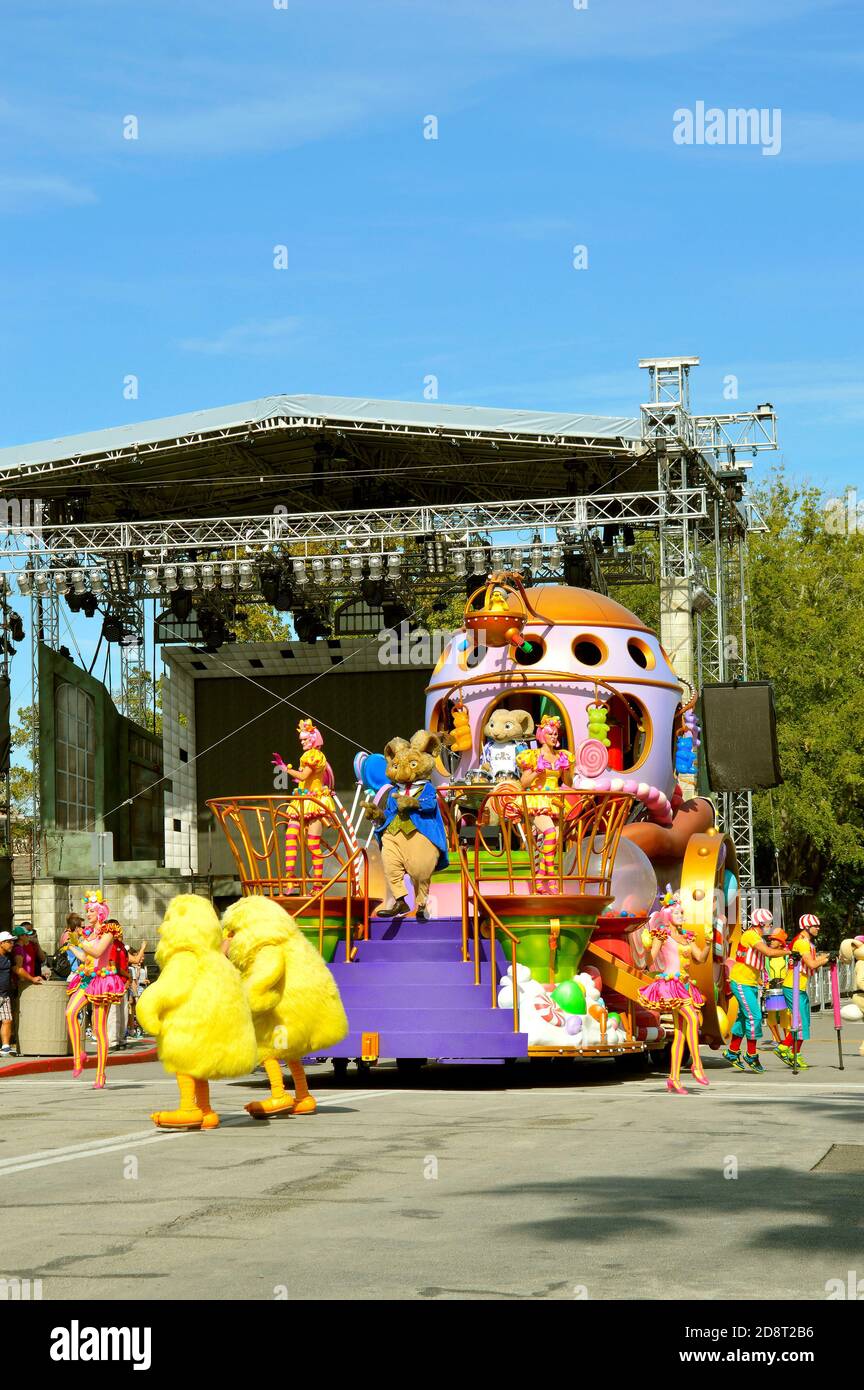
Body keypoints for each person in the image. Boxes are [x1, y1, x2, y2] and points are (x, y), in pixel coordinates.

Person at [638, 892, 711, 1094]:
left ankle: (674, 1079)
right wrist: (646, 947)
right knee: (694, 1019)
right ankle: (697, 1064)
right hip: (671, 985)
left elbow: (700, 958)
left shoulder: (687, 937)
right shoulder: (663, 936)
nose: (682, 916)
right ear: (669, 915)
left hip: (686, 986)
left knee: (679, 1034)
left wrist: (709, 942)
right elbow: (649, 961)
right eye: (678, 913)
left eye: (682, 913)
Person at [273, 719, 336, 895]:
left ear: (314, 739)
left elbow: (303, 776)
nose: (302, 742)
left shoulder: (314, 755)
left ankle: (317, 885)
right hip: (301, 803)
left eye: (304, 739)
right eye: (300, 740)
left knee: (313, 845)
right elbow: (304, 780)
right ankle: (290, 877)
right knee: (290, 836)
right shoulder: (308, 755)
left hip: (314, 804)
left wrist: (285, 769)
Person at [723, 908, 788, 1073]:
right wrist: (788, 951)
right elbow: (768, 952)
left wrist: (759, 980)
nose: (770, 926)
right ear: (761, 923)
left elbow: (754, 962)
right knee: (755, 1017)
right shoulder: (751, 936)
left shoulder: (756, 937)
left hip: (749, 983)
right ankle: (751, 1055)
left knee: (744, 1017)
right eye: (769, 923)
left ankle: (732, 1051)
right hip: (741, 982)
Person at [516, 714, 574, 893]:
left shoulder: (562, 755)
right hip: (538, 799)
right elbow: (523, 783)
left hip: (555, 801)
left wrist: (565, 769)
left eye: (556, 734)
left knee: (554, 842)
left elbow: (568, 783)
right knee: (549, 833)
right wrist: (537, 770)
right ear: (542, 735)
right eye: (550, 733)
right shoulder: (533, 755)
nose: (554, 737)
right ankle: (552, 879)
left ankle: (540, 878)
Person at [777, 913, 830, 1070]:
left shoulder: (807, 942)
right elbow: (812, 964)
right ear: (806, 927)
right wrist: (828, 957)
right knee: (800, 1023)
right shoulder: (802, 943)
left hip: (799, 987)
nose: (818, 928)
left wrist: (828, 958)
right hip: (793, 987)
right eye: (815, 926)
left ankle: (795, 1053)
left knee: (804, 1023)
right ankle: (784, 1048)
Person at [763, 927, 790, 1049]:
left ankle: (787, 1040)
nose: (771, 942)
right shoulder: (766, 956)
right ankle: (777, 1039)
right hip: (771, 988)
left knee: (785, 1014)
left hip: (784, 988)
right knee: (771, 1014)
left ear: (780, 943)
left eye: (774, 940)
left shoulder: (786, 955)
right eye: (771, 940)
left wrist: (786, 981)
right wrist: (764, 983)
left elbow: (791, 970)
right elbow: (762, 971)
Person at [12, 923, 46, 990]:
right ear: (21, 936)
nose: (29, 936)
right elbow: (19, 969)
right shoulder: (18, 949)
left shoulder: (23, 947)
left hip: (28, 982)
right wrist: (24, 983)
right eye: (27, 934)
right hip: (24, 983)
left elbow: (43, 958)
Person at [0, 931, 16, 1054]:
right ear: (1, 943)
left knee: (7, 1020)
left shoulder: (8, 957)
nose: (12, 944)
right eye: (9, 942)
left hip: (5, 995)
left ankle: (5, 1047)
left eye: (12, 941)